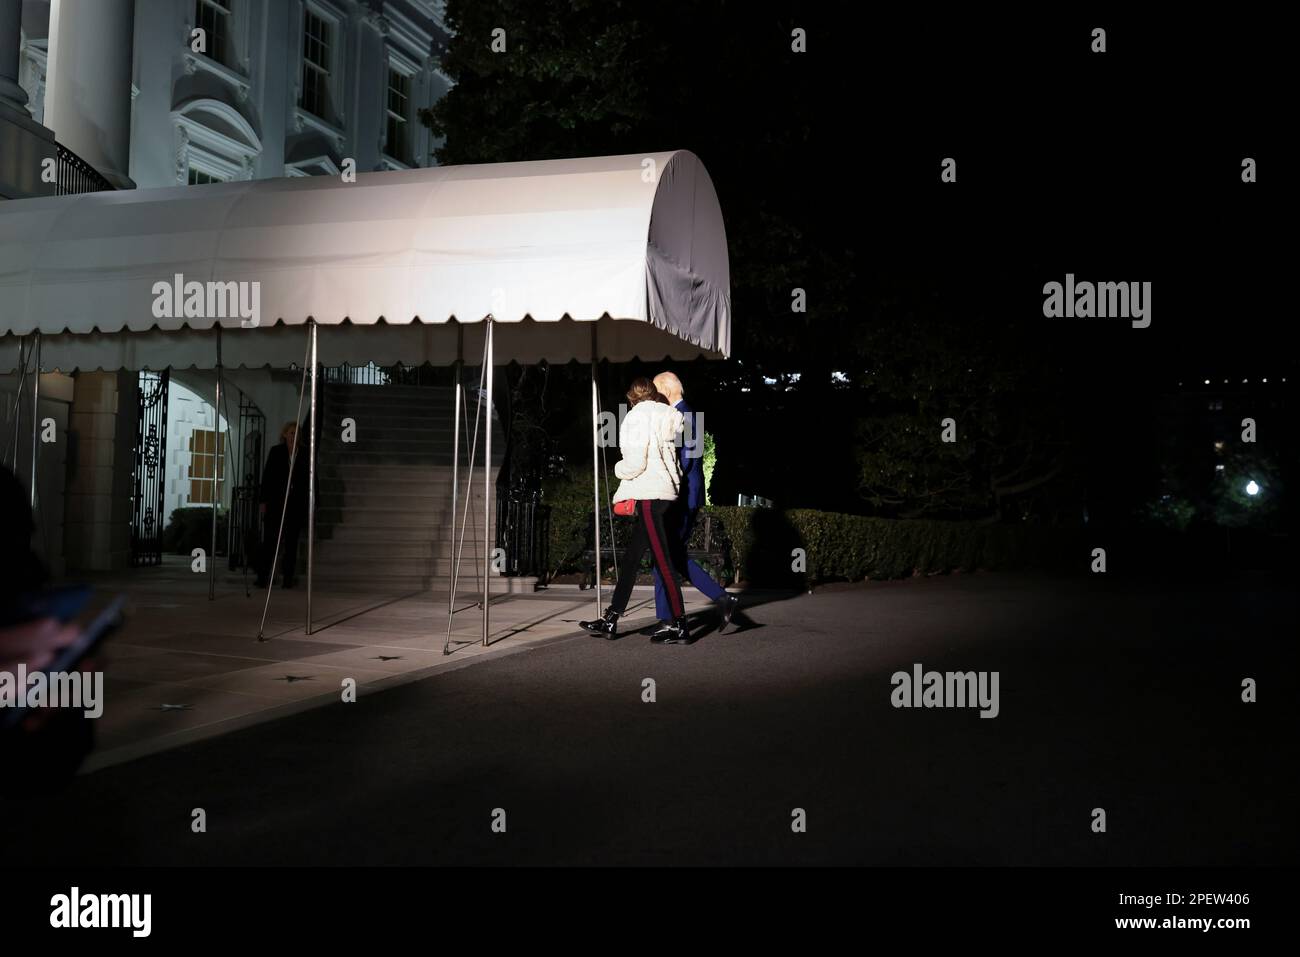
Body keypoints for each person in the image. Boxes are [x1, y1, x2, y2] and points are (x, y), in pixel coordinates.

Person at [580, 378, 692, 643]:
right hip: (663, 494)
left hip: (648, 496)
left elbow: (635, 463)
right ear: (653, 396)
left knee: (663, 560)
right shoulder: (668, 416)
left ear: (631, 398)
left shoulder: (635, 418)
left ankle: (680, 624)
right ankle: (611, 618)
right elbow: (672, 461)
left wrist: (617, 470)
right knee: (632, 559)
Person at [650, 372, 739, 636]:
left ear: (666, 391)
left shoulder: (683, 416)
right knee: (665, 556)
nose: (655, 399)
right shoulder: (686, 414)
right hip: (685, 495)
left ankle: (718, 599)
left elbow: (686, 460)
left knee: (668, 555)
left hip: (682, 497)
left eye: (656, 393)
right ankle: (666, 618)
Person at [255, 420, 309, 589]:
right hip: (276, 504)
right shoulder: (276, 452)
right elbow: (267, 477)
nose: (294, 436)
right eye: (291, 433)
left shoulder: (305, 453)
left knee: (291, 545)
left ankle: (287, 579)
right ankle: (262, 577)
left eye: (296, 433)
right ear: (285, 434)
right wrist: (263, 501)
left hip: (295, 505)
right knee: (270, 542)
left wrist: (312, 502)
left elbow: (310, 478)